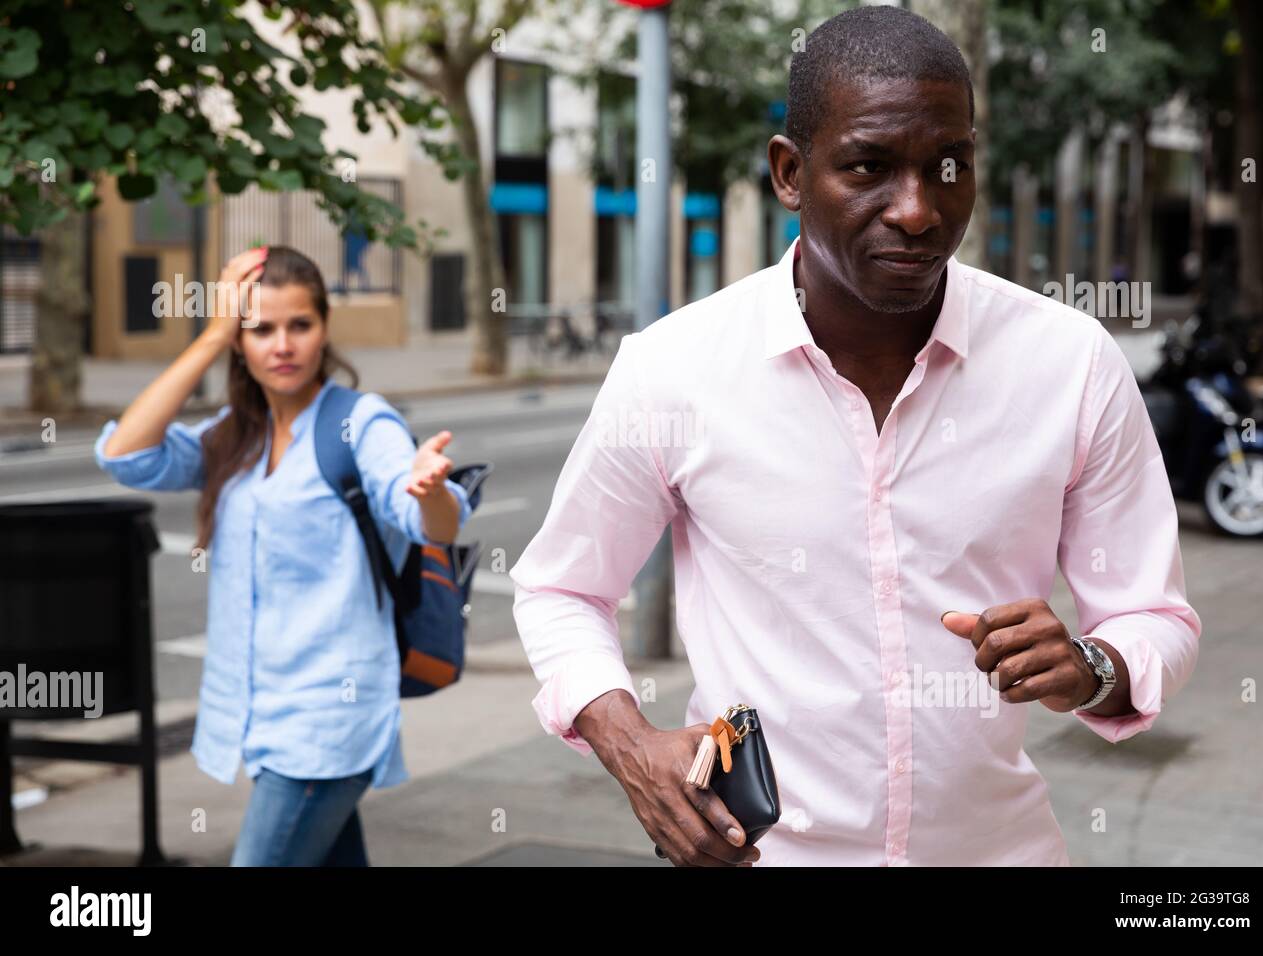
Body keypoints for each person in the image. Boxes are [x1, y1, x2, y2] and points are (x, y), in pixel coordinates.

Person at [509, 6, 1200, 866]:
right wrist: (627, 744)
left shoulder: (1071, 363)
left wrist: (1095, 664)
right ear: (790, 174)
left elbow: (1153, 614)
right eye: (869, 167)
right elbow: (561, 589)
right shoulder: (674, 370)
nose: (916, 211)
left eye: (948, 168)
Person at [94, 245, 471, 866]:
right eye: (261, 329)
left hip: (327, 720)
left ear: (324, 327)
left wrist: (429, 489)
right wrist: (210, 338)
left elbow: (430, 520)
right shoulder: (235, 435)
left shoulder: (360, 423)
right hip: (260, 713)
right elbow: (125, 456)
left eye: (300, 324)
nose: (283, 345)